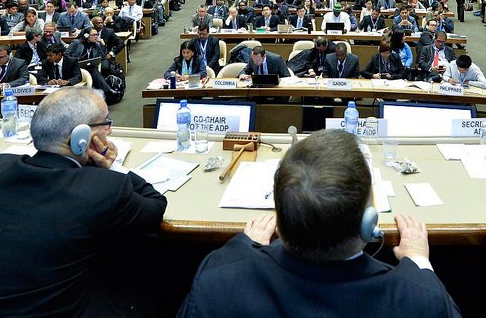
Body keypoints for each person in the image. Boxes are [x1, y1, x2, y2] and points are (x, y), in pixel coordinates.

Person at [0, 88, 167, 316]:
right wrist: (113, 167)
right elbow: (155, 206)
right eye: (105, 124)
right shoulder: (104, 187)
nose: (110, 131)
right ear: (81, 138)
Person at [178, 129, 460, 317]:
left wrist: (245, 246)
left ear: (280, 219)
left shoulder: (214, 284)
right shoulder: (419, 301)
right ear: (368, 222)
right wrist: (418, 260)